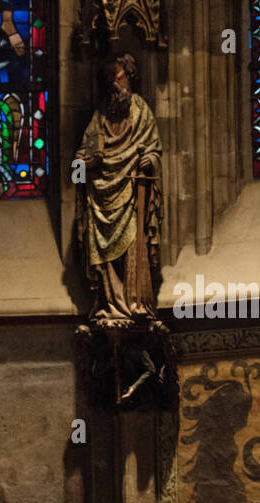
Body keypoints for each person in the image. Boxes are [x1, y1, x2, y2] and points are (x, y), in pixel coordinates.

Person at [74, 55, 163, 322]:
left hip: (132, 194)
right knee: (102, 251)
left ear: (130, 78)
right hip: (101, 198)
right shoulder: (99, 118)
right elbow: (83, 153)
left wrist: (152, 160)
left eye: (119, 77)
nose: (115, 84)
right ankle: (109, 303)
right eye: (110, 79)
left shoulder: (141, 112)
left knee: (134, 249)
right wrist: (82, 163)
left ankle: (135, 303)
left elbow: (154, 148)